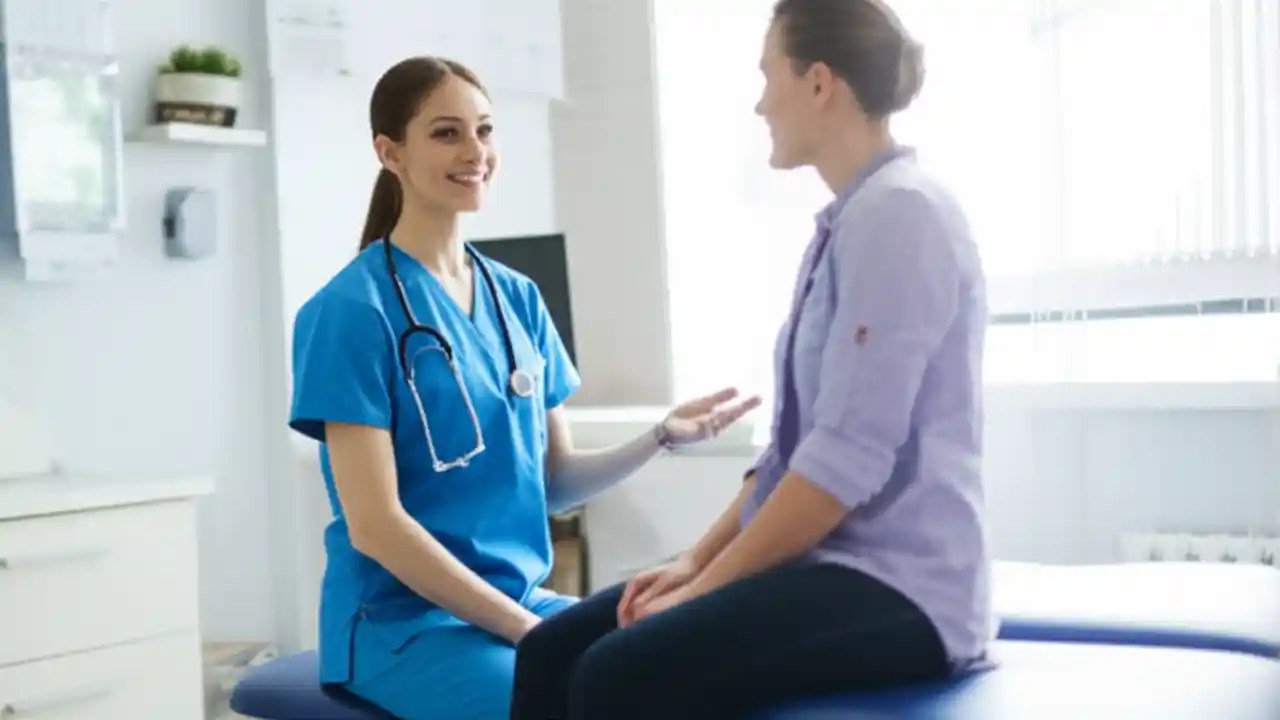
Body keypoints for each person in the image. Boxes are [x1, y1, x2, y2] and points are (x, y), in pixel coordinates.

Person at [509, 1, 992, 718]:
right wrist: (693, 561)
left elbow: (840, 468)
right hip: (831, 563)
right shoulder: (850, 222)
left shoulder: (901, 216)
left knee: (615, 675)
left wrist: (701, 593)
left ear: (820, 83)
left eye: (770, 76)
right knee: (549, 650)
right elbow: (791, 458)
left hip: (905, 588)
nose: (761, 102)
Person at [286, 56, 760, 720]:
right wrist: (529, 635)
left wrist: (658, 439)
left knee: (685, 662)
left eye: (484, 130)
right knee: (576, 699)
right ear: (388, 152)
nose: (475, 151)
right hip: (403, 626)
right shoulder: (350, 311)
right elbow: (377, 528)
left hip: (520, 599)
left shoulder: (518, 299)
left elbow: (552, 480)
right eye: (447, 133)